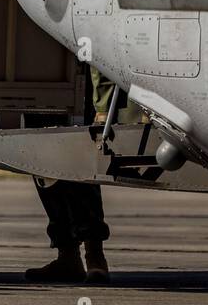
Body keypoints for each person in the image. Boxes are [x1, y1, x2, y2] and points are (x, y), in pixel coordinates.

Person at [25, 69, 140, 285]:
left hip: (77, 91)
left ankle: (93, 256)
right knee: (43, 165)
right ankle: (71, 257)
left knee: (79, 167)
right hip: (53, 86)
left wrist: (103, 107)